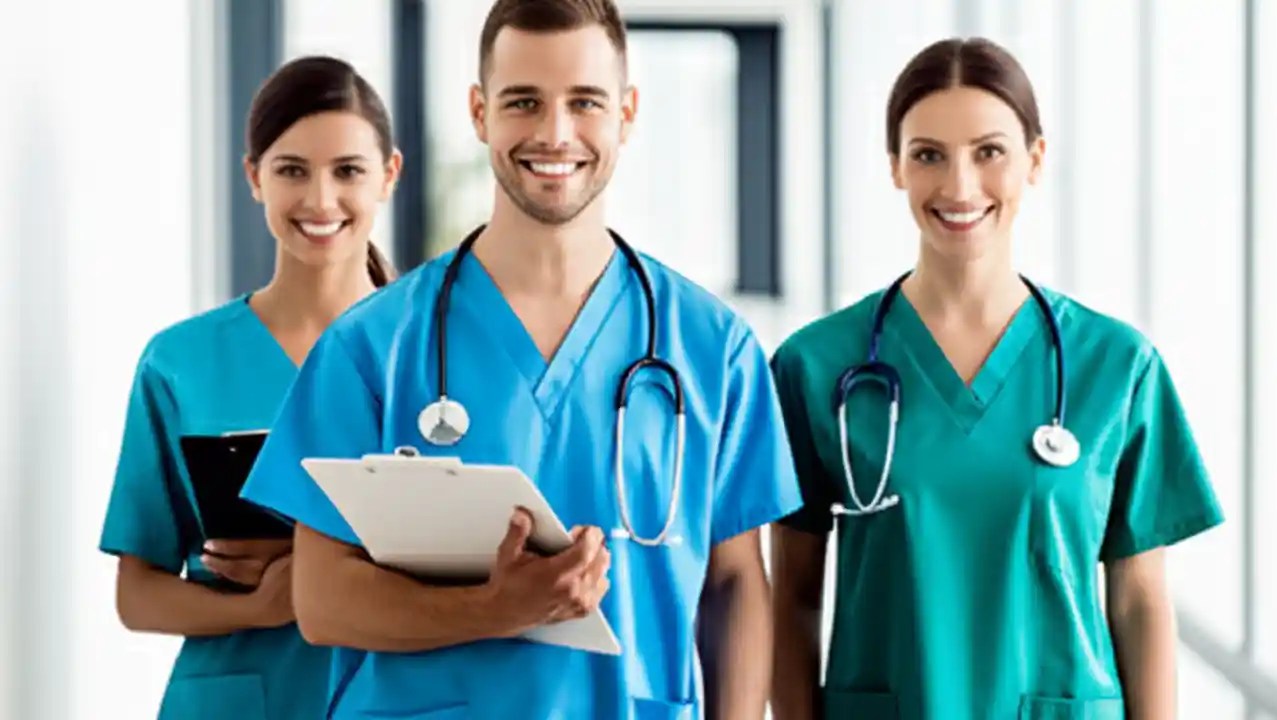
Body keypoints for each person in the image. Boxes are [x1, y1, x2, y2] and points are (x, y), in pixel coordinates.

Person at [237, 0, 801, 718]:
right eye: (523, 102)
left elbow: (735, 585)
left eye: (585, 102)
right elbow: (323, 603)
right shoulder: (371, 348)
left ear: (627, 113)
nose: (554, 133)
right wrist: (497, 608)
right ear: (480, 113)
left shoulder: (713, 351)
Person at [768, 37, 1224, 720]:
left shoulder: (1117, 366)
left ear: (1034, 160)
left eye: (989, 152)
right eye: (928, 155)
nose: (959, 187)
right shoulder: (816, 367)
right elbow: (793, 598)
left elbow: (1138, 601)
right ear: (894, 166)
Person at [98, 55, 402, 719]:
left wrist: (325, 570)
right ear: (254, 177)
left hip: (391, 697)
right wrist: (264, 603)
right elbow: (137, 593)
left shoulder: (430, 358)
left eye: (347, 170)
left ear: (389, 175)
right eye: (292, 169)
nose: (320, 200)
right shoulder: (181, 362)